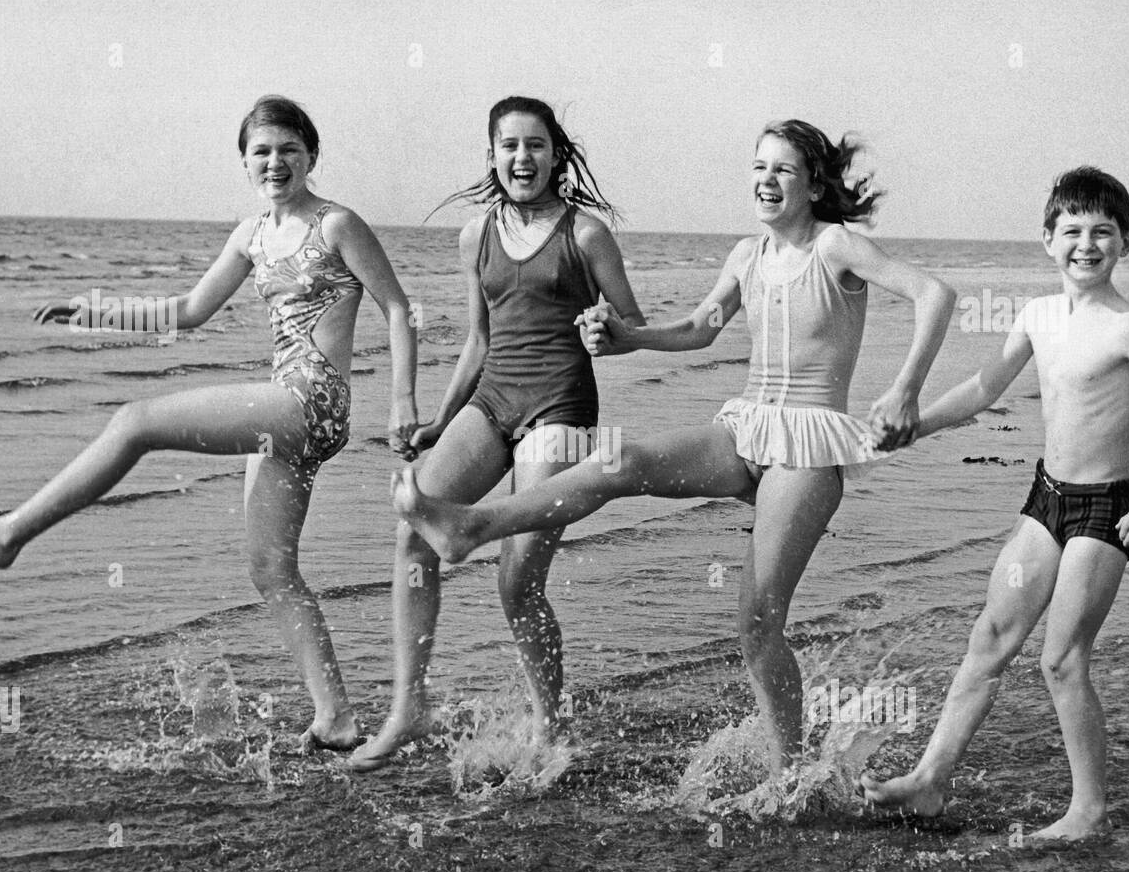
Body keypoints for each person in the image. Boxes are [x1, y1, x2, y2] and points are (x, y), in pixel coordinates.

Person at [390, 119, 956, 776]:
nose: (766, 181)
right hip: (744, 430)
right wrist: (626, 337)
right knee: (618, 461)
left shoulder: (835, 247)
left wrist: (905, 391)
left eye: (782, 170)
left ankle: (793, 772)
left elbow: (935, 294)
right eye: (758, 167)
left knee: (756, 625)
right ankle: (471, 526)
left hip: (805, 448)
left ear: (813, 184)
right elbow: (697, 330)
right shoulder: (747, 256)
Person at [0, 95, 418, 753]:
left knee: (134, 421)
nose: (275, 163)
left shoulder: (336, 225)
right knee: (270, 568)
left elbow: (397, 307)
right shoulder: (249, 236)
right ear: (245, 162)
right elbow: (188, 311)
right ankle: (337, 718)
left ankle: (7, 533)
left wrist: (402, 402)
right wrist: (95, 312)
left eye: (288, 150)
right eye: (261, 152)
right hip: (282, 408)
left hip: (313, 401)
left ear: (312, 155)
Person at [861, 166, 1129, 842]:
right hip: (1047, 499)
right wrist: (915, 424)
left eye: (1102, 232)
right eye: (1072, 231)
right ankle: (931, 780)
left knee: (1061, 659)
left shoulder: (1128, 328)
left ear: (1126, 242)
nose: (1086, 244)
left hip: (1106, 510)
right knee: (990, 637)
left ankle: (1088, 812)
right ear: (1047, 240)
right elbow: (986, 387)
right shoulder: (1037, 315)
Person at [349, 96, 643, 770]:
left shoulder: (586, 234)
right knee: (412, 534)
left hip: (562, 409)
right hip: (491, 400)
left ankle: (547, 726)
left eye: (535, 145)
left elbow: (633, 325)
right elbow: (479, 341)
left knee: (518, 579)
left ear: (554, 154)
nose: (522, 157)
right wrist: (439, 423)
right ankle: (408, 710)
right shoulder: (474, 235)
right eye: (509, 145)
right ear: (491, 155)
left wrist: (609, 334)